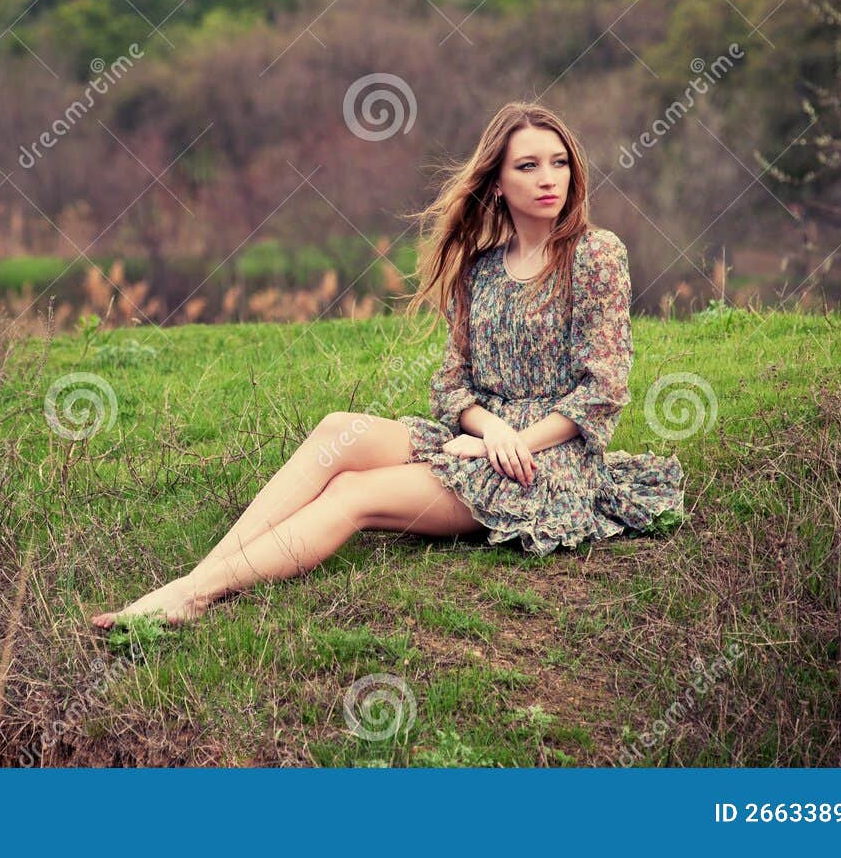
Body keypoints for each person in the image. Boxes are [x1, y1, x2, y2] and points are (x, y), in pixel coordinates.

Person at [91, 102, 685, 629]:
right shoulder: (480, 269)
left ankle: (197, 594)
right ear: (498, 182)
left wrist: (506, 444)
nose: (548, 178)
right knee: (335, 430)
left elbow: (603, 390)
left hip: (547, 463)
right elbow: (453, 385)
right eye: (527, 166)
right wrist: (487, 429)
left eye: (558, 163)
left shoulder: (595, 255)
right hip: (485, 437)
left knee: (355, 494)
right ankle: (199, 577)